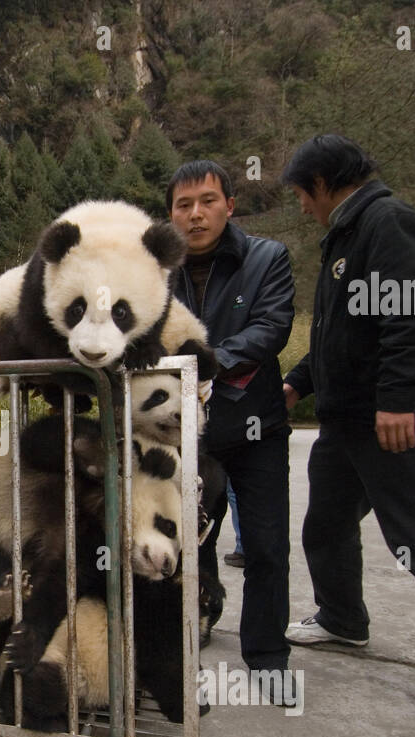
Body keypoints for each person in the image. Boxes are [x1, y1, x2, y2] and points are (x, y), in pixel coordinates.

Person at [279, 133, 415, 737]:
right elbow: (336, 335)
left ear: (323, 184)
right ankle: (344, 619)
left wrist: (398, 400)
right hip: (344, 423)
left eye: (301, 194)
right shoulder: (344, 236)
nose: (301, 206)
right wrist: (297, 383)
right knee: (324, 526)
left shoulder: (390, 223)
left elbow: (414, 317)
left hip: (389, 424)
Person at [167, 160, 295, 694]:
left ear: (230, 205)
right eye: (183, 205)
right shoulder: (156, 272)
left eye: (207, 201)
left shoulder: (267, 258)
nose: (195, 215)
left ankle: (266, 657)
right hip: (188, 436)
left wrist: (200, 361)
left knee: (266, 546)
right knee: (188, 542)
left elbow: (270, 329)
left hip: (256, 429)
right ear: (170, 213)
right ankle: (192, 628)